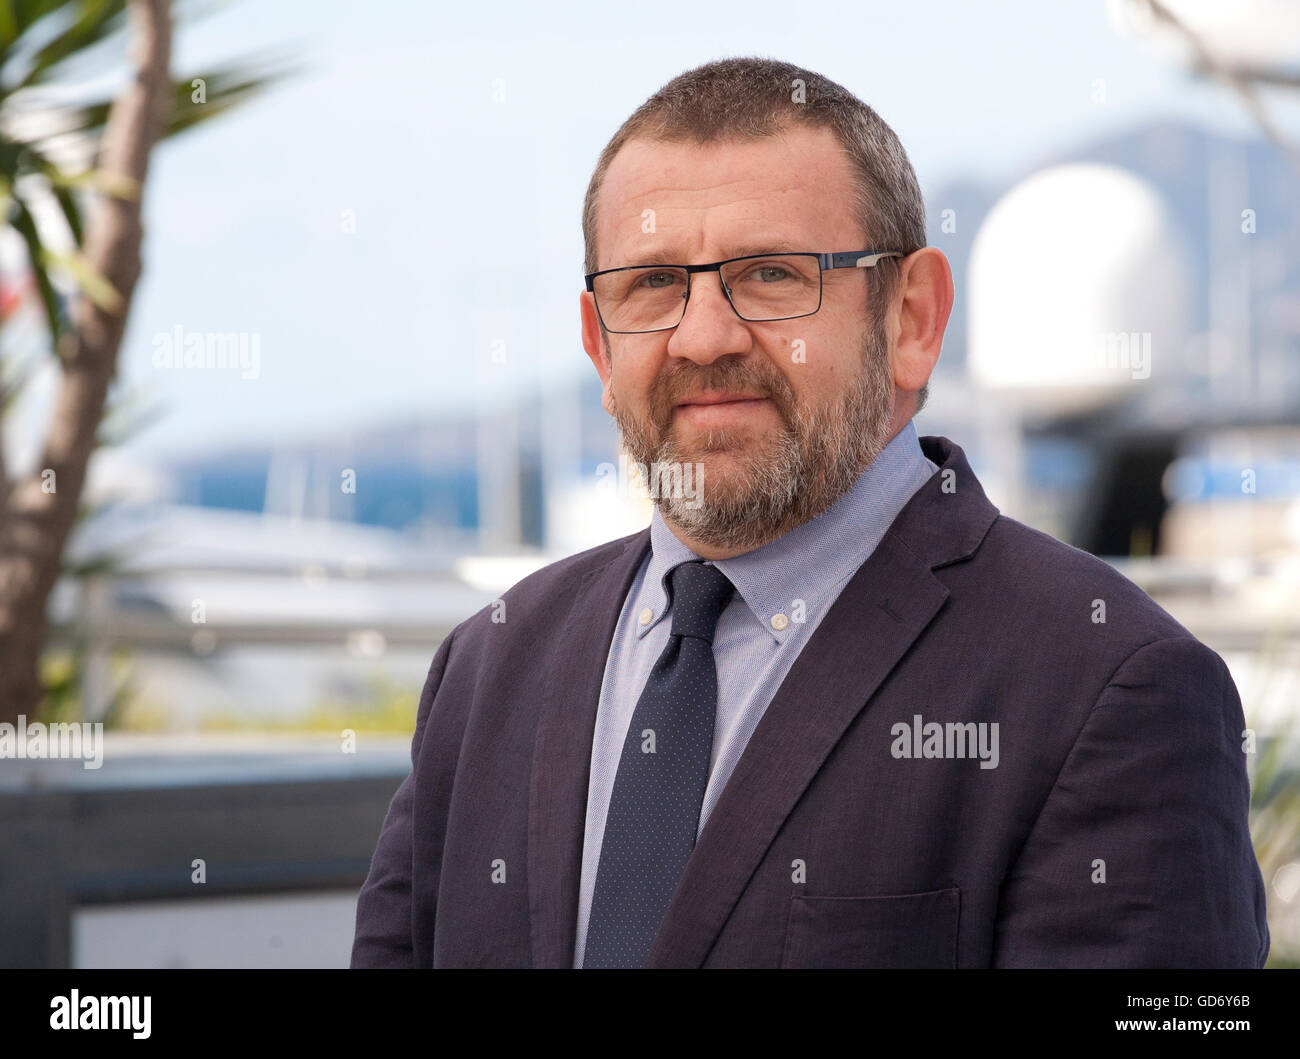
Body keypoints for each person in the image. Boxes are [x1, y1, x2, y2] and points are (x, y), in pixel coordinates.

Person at [350, 56, 1269, 968]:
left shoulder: (1109, 688)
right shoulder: (488, 670)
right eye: (653, 284)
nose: (704, 338)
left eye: (773, 275)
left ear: (910, 318)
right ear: (598, 344)